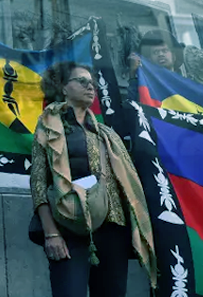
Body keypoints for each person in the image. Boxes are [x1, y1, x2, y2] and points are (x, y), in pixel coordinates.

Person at [30, 62, 156, 297]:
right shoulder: (48, 127)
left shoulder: (106, 134)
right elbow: (38, 183)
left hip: (113, 229)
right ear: (63, 88)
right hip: (69, 227)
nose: (91, 87)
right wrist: (51, 233)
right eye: (82, 81)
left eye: (93, 83)